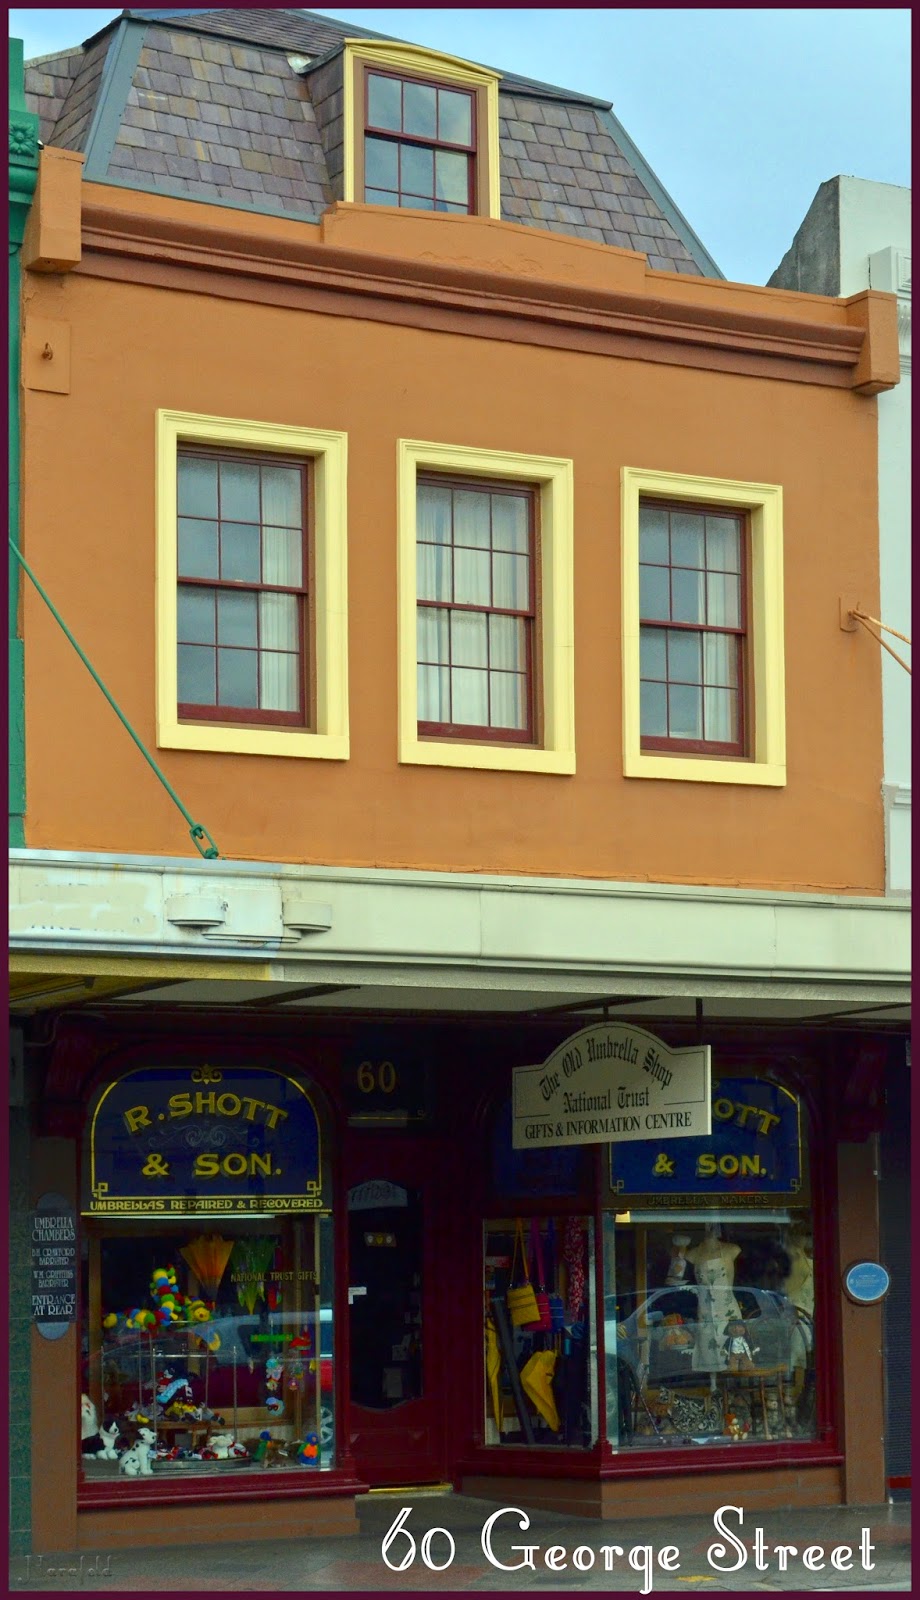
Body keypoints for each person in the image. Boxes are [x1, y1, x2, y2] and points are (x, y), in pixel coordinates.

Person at [686, 1225, 741, 1371]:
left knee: (731, 1353)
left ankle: (731, 1387)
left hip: (728, 1310)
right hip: (705, 1312)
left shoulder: (731, 1250)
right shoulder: (693, 1254)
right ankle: (713, 1387)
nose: (710, 1225)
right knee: (708, 1352)